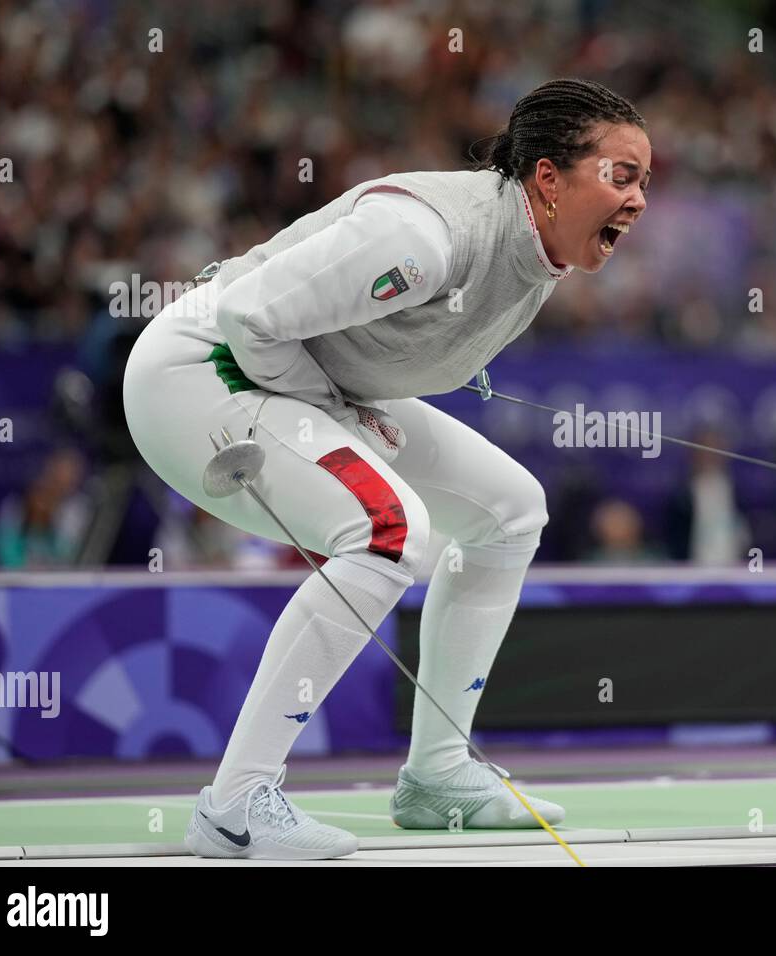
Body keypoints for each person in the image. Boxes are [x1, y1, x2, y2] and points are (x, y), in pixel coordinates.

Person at [123, 78, 651, 859]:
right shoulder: (426, 235)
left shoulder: (536, 254)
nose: (639, 201)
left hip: (305, 380)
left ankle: (437, 777)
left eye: (646, 181)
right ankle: (233, 806)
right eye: (621, 176)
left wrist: (345, 404)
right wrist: (337, 411)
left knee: (511, 509)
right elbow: (248, 317)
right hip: (204, 370)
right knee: (387, 528)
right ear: (547, 177)